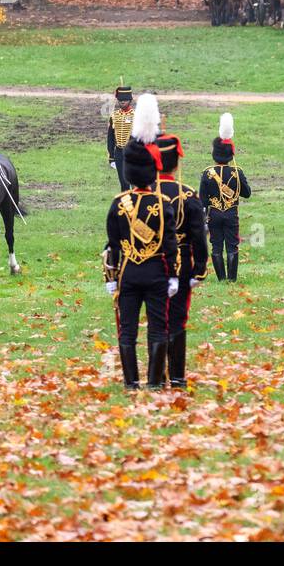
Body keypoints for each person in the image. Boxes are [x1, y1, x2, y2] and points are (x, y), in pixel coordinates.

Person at [104, 139, 178, 390]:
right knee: (158, 329)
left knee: (127, 331)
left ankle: (131, 383)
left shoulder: (119, 203)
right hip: (157, 272)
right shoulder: (162, 203)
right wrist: (174, 276)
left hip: (128, 273)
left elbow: (112, 245)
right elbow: (170, 243)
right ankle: (155, 382)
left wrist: (111, 279)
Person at [153, 130, 208, 389]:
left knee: (156, 319)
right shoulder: (187, 194)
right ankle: (176, 376)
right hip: (183, 263)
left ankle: (156, 376)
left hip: (151, 263)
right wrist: (200, 270)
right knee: (177, 319)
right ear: (176, 162)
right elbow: (199, 235)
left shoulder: (143, 192)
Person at [200, 114, 251, 283]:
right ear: (230, 154)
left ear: (215, 154)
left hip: (213, 214)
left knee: (216, 246)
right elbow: (247, 193)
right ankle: (232, 279)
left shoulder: (207, 173)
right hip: (231, 214)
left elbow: (202, 200)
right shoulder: (237, 171)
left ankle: (221, 279)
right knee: (232, 246)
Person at [107, 84, 135, 190]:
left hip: (133, 153)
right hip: (119, 153)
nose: (122, 101)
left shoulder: (136, 116)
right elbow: (110, 137)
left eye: (125, 99)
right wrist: (111, 156)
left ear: (130, 100)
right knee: (124, 184)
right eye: (120, 99)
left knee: (135, 182)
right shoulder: (114, 116)